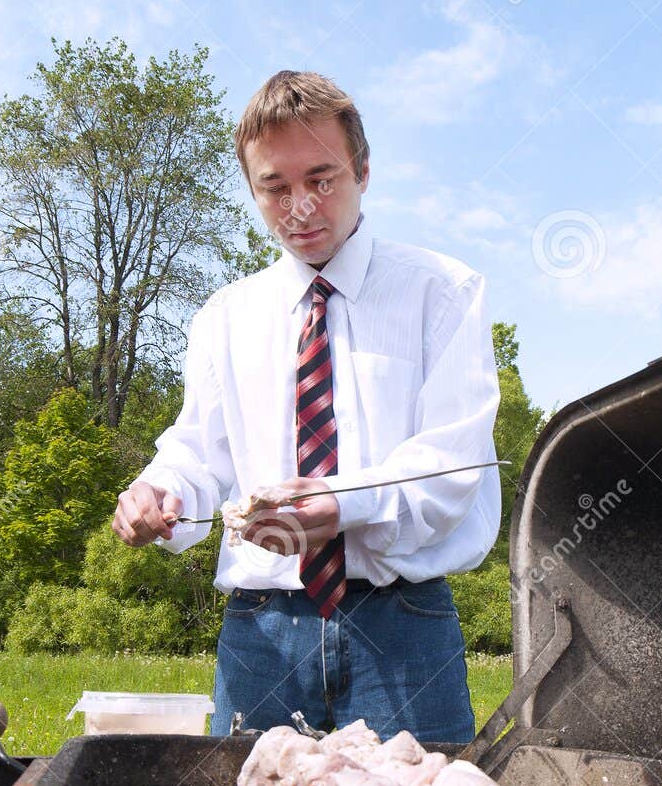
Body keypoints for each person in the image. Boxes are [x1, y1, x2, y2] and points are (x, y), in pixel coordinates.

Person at [111, 70, 500, 743]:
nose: (300, 208)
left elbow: (451, 465)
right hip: (258, 632)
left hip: (400, 628)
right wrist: (158, 488)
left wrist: (340, 503)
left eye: (322, 179)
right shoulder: (225, 317)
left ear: (364, 170)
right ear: (253, 190)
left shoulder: (444, 292)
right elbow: (199, 453)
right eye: (275, 187)